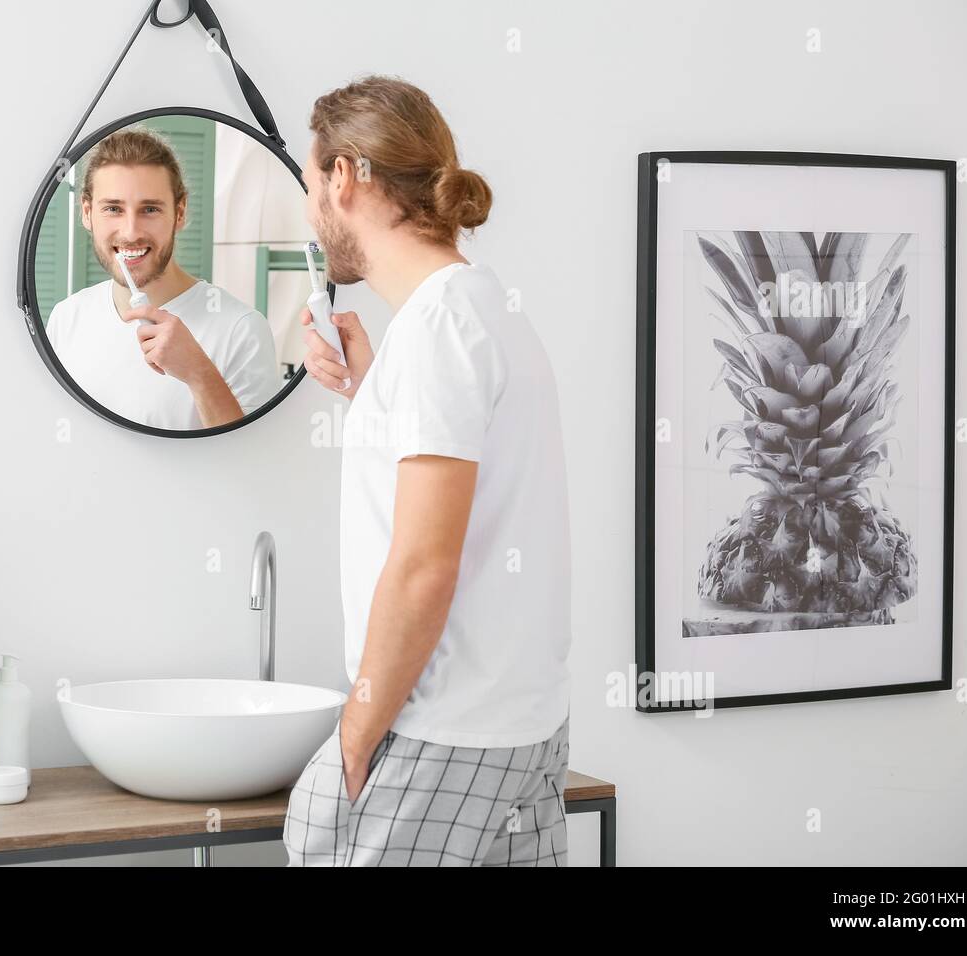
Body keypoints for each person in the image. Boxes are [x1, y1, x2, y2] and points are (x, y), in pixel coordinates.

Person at [282, 76, 574, 866]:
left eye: (312, 183)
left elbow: (424, 565)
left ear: (345, 177)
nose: (312, 211)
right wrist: (375, 390)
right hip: (523, 728)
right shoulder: (484, 310)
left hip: (437, 732)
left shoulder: (439, 330)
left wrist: (358, 726)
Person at [46, 127, 282, 430]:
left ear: (179, 212)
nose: (131, 232)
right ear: (87, 213)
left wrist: (198, 372)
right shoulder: (66, 317)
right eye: (114, 209)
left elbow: (256, 462)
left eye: (150, 209)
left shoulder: (242, 329)